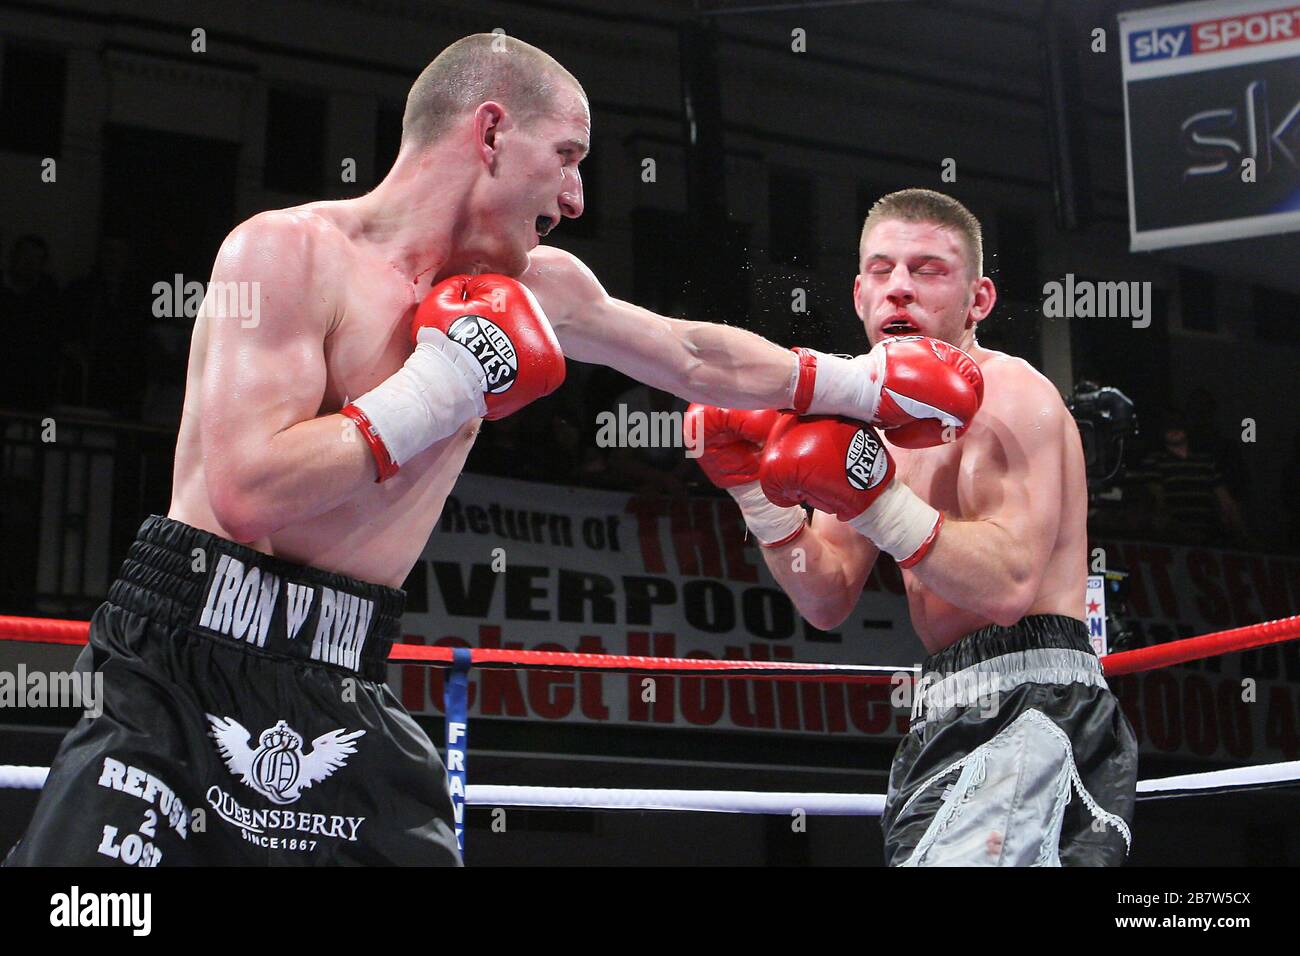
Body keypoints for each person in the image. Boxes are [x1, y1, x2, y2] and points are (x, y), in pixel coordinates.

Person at [6, 36, 975, 866]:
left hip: (344, 668)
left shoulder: (537, 284)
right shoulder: (286, 255)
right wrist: (446, 382)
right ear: (491, 130)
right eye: (566, 155)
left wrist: (860, 386)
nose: (577, 194)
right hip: (187, 661)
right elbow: (254, 492)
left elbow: (687, 351)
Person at [689, 189, 1137, 866]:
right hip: (945, 703)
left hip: (1032, 699)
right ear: (859, 295)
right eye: (881, 270)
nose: (899, 289)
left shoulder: (1013, 395)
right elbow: (826, 595)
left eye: (928, 269)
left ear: (978, 300)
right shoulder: (875, 429)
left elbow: (1009, 585)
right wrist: (754, 491)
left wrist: (875, 502)